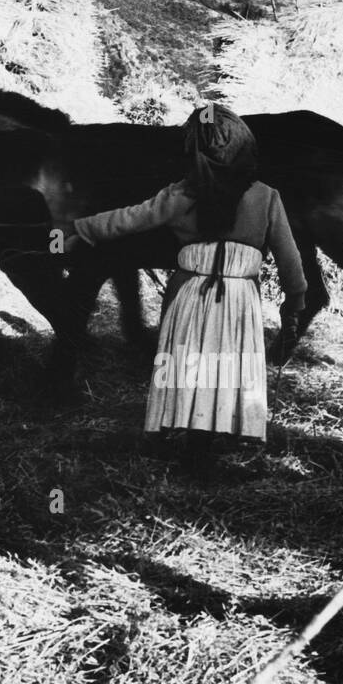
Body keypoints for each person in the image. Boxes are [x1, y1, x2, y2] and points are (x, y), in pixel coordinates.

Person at [67, 104, 306, 474]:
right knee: (225, 364)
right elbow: (290, 260)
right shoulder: (266, 196)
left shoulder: (181, 195)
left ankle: (178, 432)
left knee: (186, 363)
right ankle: (209, 437)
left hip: (190, 297)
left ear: (194, 151)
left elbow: (130, 218)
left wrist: (78, 229)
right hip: (239, 301)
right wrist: (295, 299)